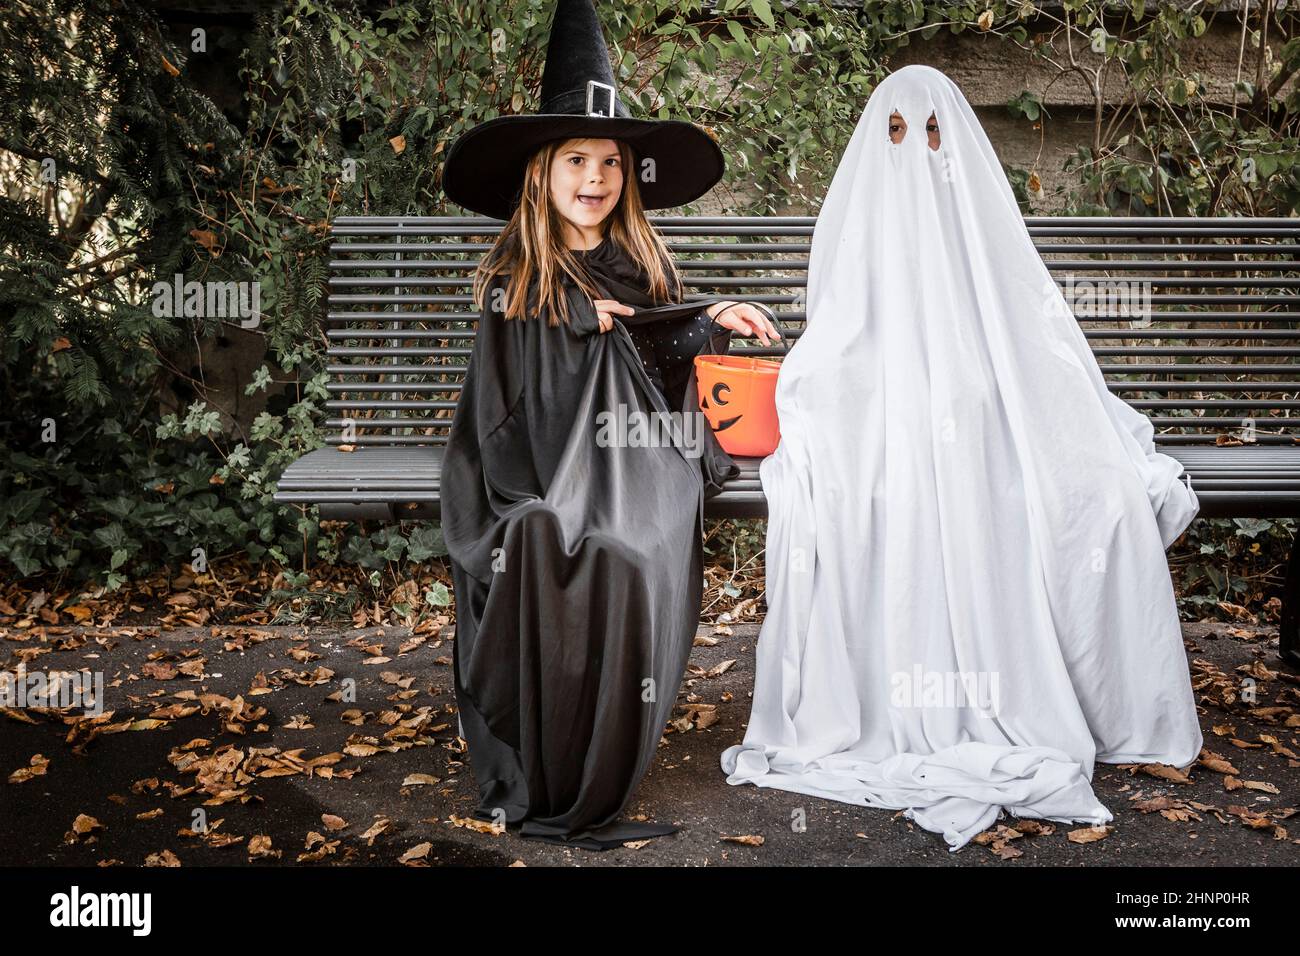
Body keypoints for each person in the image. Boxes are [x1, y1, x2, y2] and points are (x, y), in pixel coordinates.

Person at [720, 64, 1204, 852]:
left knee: (1081, 493)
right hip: (887, 436)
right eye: (898, 133)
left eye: (934, 131)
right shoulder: (863, 238)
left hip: (983, 439)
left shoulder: (981, 241)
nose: (916, 151)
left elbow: (1035, 359)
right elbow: (834, 352)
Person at [439, 0, 778, 850]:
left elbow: (664, 372)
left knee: (625, 552)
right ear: (541, 174)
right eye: (576, 161)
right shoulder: (514, 279)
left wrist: (708, 320)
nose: (596, 179)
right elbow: (498, 414)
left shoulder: (642, 262)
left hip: (637, 472)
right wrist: (568, 329)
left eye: (612, 164)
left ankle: (604, 748)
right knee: (547, 538)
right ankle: (552, 754)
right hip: (533, 473)